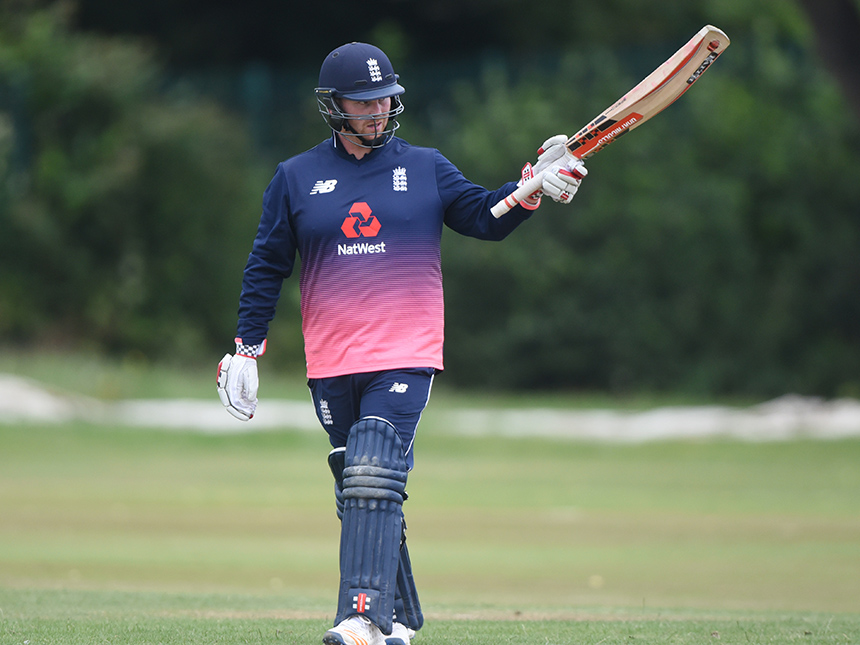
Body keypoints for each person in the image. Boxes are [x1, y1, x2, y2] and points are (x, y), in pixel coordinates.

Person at [217, 42, 587, 645]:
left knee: (370, 466)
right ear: (333, 108)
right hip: (332, 358)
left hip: (406, 350)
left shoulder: (426, 166)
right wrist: (246, 347)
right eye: (363, 103)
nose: (378, 111)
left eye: (385, 99)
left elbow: (483, 217)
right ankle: (402, 623)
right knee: (359, 483)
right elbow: (266, 266)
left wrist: (532, 188)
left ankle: (361, 616)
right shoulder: (295, 178)